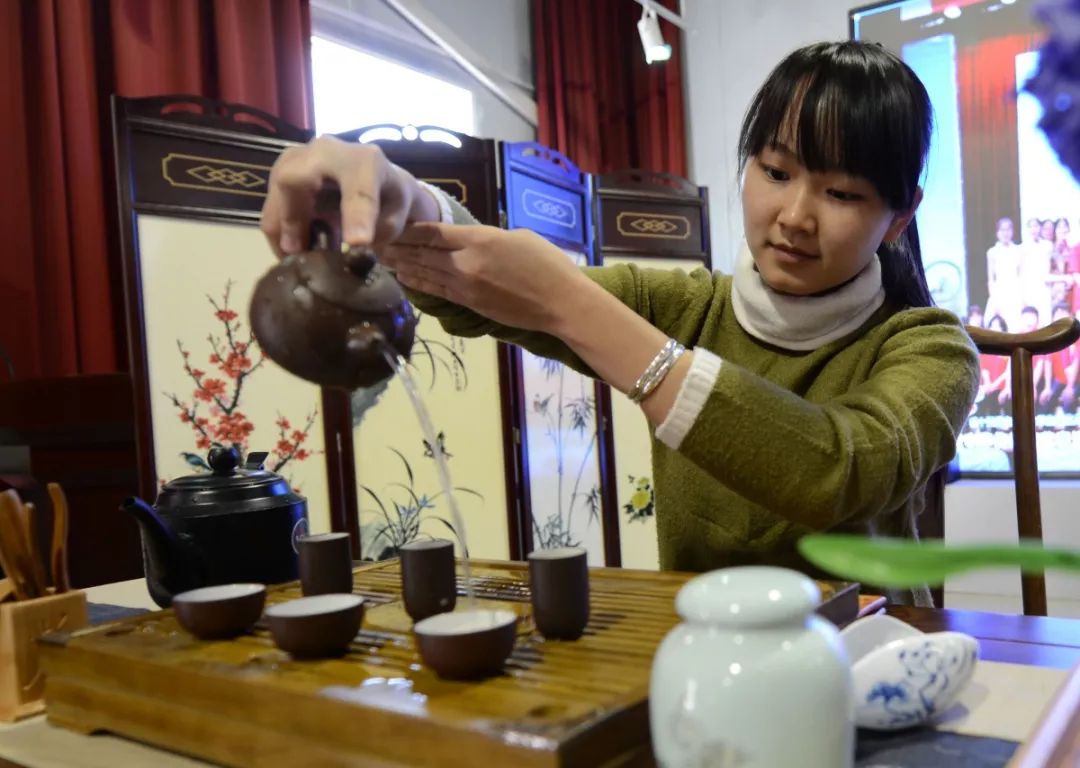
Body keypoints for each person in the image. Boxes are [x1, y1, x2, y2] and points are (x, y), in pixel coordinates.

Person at [261, 41, 979, 606]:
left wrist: (575, 307)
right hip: (704, 659)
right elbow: (485, 293)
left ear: (901, 215)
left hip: (869, 667)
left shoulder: (930, 349)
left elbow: (834, 470)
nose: (794, 215)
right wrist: (407, 206)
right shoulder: (689, 307)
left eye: (842, 191)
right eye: (776, 171)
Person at [984, 216, 1020, 327]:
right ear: (997, 232)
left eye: (1008, 229)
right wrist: (995, 301)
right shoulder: (992, 252)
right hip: (999, 293)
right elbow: (991, 279)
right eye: (1002, 230)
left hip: (1015, 293)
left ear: (1012, 231)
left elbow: (1021, 275)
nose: (1005, 233)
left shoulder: (1018, 250)